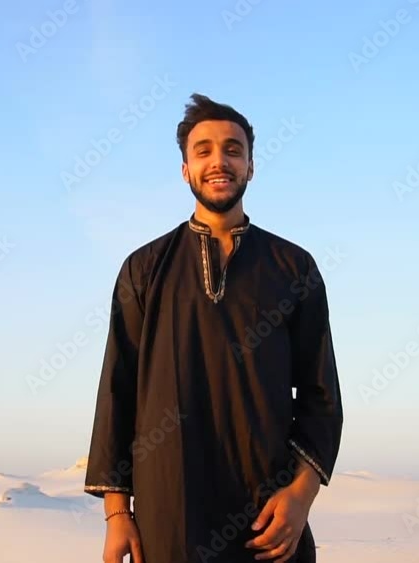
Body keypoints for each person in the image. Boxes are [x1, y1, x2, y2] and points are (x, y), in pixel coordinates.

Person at [84, 93, 344, 563]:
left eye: (233, 149)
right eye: (202, 150)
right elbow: (117, 392)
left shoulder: (293, 267)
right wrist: (117, 514)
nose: (218, 161)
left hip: (270, 517)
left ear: (250, 166)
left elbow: (320, 395)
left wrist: (301, 497)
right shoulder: (144, 269)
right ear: (185, 169)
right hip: (170, 510)